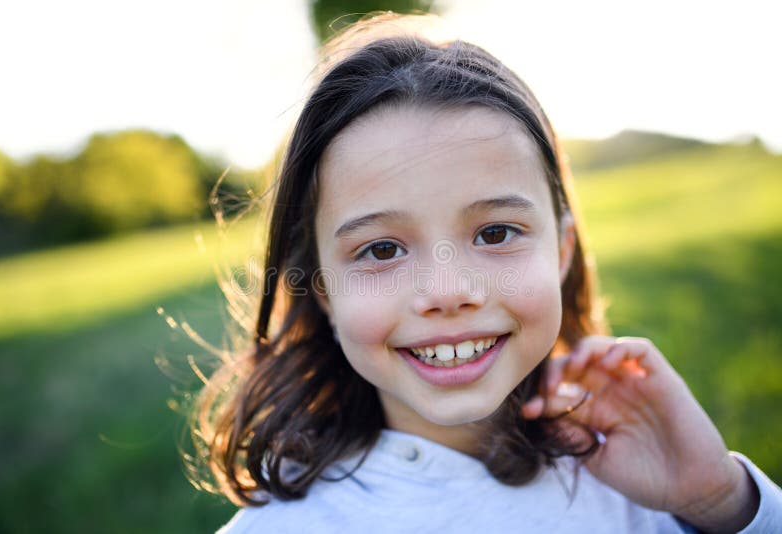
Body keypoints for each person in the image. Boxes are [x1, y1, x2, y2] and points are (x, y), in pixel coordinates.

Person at [190, 12, 782, 533]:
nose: (447, 293)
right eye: (381, 250)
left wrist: (722, 502)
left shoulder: (647, 482)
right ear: (322, 290)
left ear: (562, 251)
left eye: (495, 233)